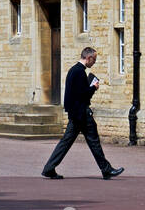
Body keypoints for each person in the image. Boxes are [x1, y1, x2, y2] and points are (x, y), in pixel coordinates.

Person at [41, 46, 125, 179]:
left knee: (66, 142)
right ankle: (106, 169)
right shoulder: (79, 72)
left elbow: (72, 95)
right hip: (82, 114)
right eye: (94, 59)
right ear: (89, 57)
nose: (95, 62)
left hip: (75, 114)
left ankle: (49, 168)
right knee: (93, 141)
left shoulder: (73, 70)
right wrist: (93, 87)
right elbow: (82, 95)